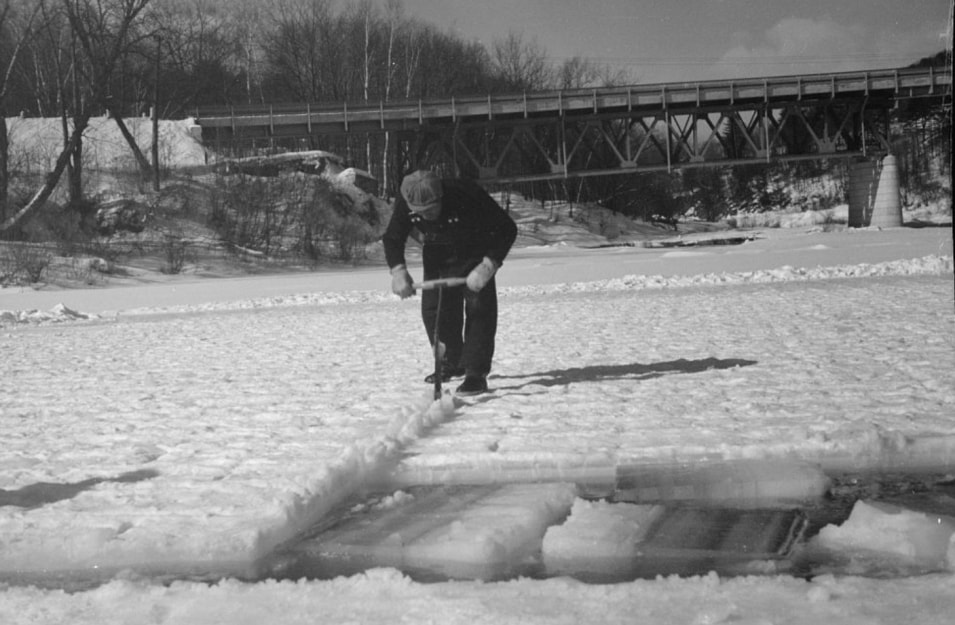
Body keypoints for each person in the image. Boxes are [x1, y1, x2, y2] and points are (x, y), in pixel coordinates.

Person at [383, 169, 517, 396]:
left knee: (479, 310)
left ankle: (475, 373)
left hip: (475, 250)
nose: (426, 217)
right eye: (420, 213)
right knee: (434, 311)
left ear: (441, 197)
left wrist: (488, 265)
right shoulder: (406, 201)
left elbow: (507, 228)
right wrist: (398, 271)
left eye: (431, 210)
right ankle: (450, 362)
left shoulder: (467, 193)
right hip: (437, 252)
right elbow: (393, 237)